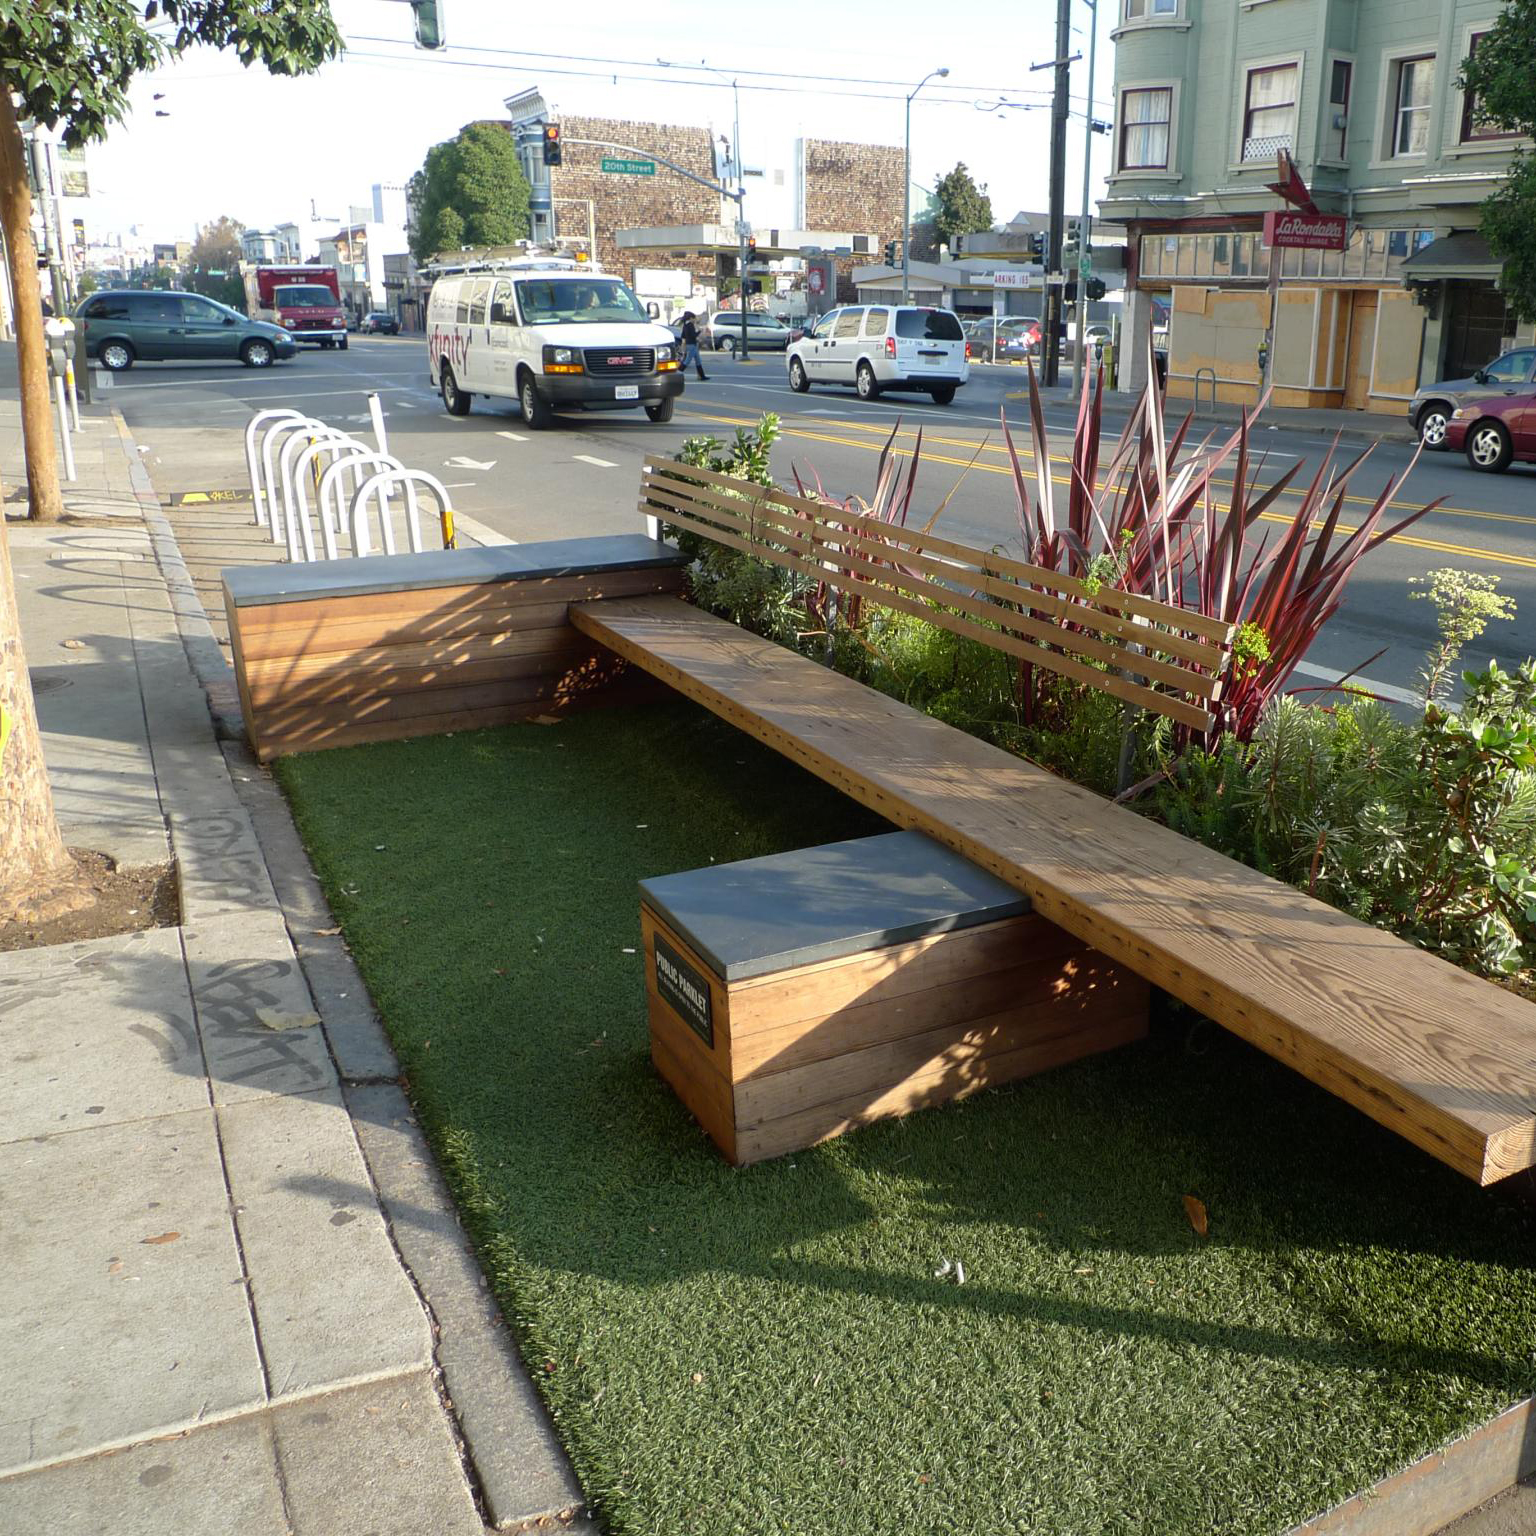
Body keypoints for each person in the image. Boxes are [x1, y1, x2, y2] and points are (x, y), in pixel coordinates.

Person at [678, 311, 707, 381]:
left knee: (698, 360)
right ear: (691, 318)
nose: (694, 319)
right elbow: (694, 335)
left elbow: (683, 336)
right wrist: (699, 331)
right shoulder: (690, 325)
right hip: (692, 344)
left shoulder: (685, 325)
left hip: (689, 344)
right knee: (687, 361)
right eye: (694, 318)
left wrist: (683, 345)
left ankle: (702, 376)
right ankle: (678, 373)